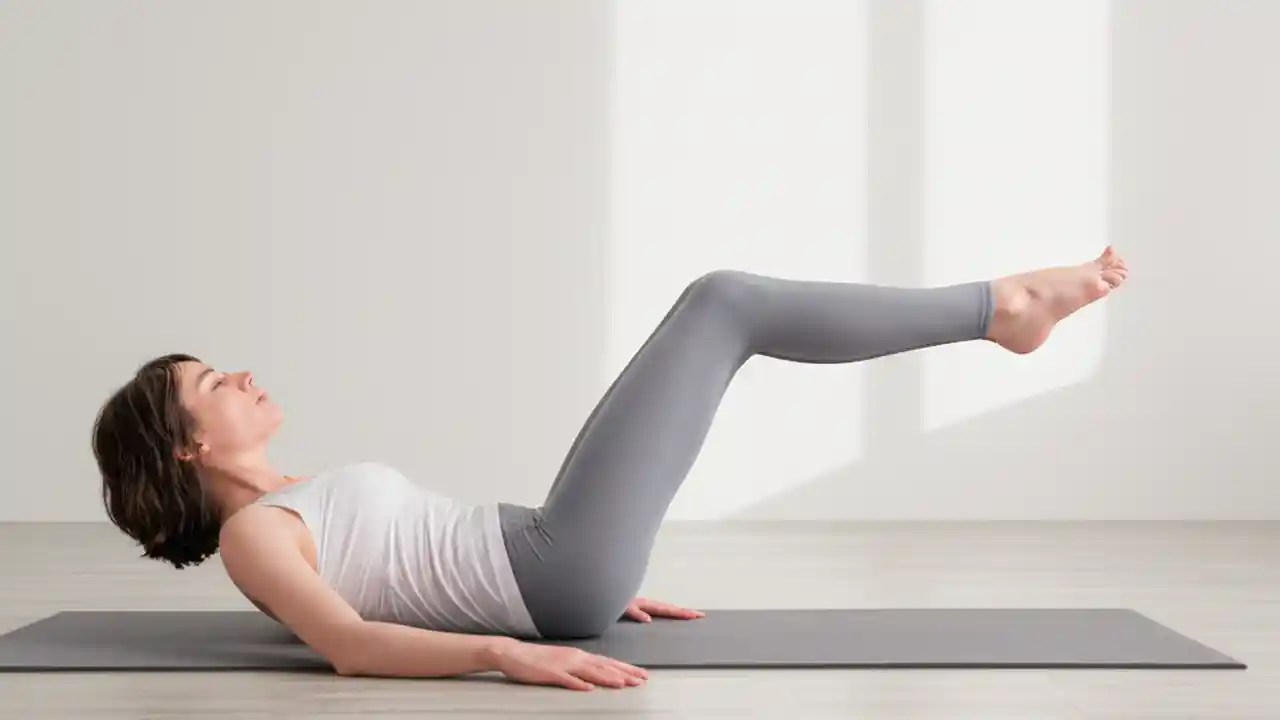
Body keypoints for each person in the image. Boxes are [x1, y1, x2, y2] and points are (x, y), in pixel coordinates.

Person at [90, 246, 1129, 691]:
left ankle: (999, 313)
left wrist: (597, 582)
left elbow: (408, 574)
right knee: (724, 302)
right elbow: (350, 647)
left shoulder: (287, 503)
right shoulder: (252, 535)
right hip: (549, 568)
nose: (243, 377)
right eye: (214, 382)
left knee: (721, 305)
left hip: (554, 562)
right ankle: (1000, 310)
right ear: (187, 446)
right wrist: (509, 650)